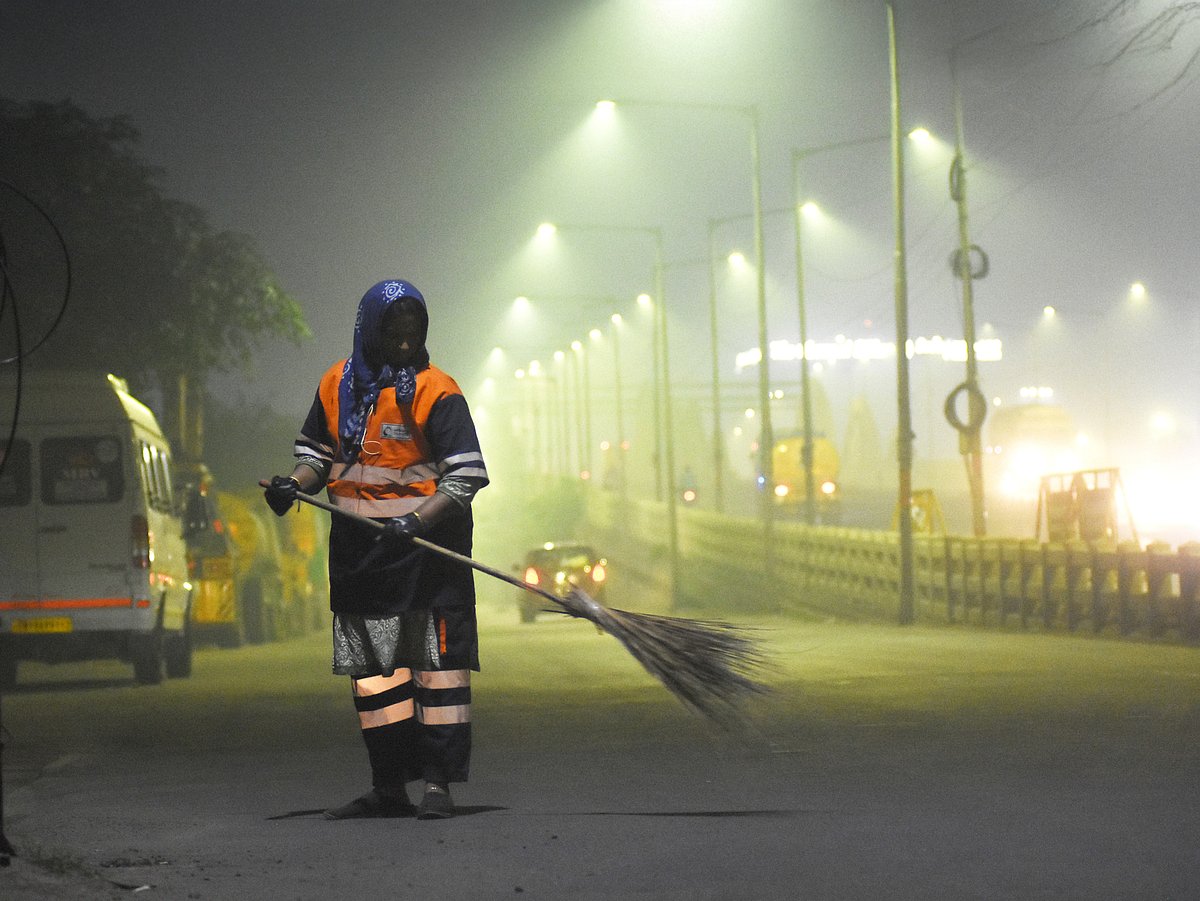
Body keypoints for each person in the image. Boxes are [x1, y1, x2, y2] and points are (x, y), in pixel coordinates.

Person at [264, 278, 488, 821]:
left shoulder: (439, 390)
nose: (407, 346)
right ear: (371, 331)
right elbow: (316, 457)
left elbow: (465, 477)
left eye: (415, 336)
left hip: (429, 562)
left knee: (438, 673)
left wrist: (417, 519)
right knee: (375, 679)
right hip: (363, 559)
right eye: (397, 336)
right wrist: (293, 484)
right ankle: (389, 786)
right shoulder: (335, 385)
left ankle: (438, 785)